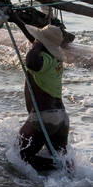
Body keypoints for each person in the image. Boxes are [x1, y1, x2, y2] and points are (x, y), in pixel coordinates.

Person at [14, 20, 71, 172]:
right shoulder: (56, 59)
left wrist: (39, 44)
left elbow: (31, 62)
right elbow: (35, 43)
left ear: (42, 45)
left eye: (39, 41)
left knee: (20, 155)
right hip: (61, 118)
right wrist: (15, 20)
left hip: (44, 117)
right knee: (61, 159)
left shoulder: (42, 60)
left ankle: (50, 174)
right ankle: (72, 178)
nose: (35, 42)